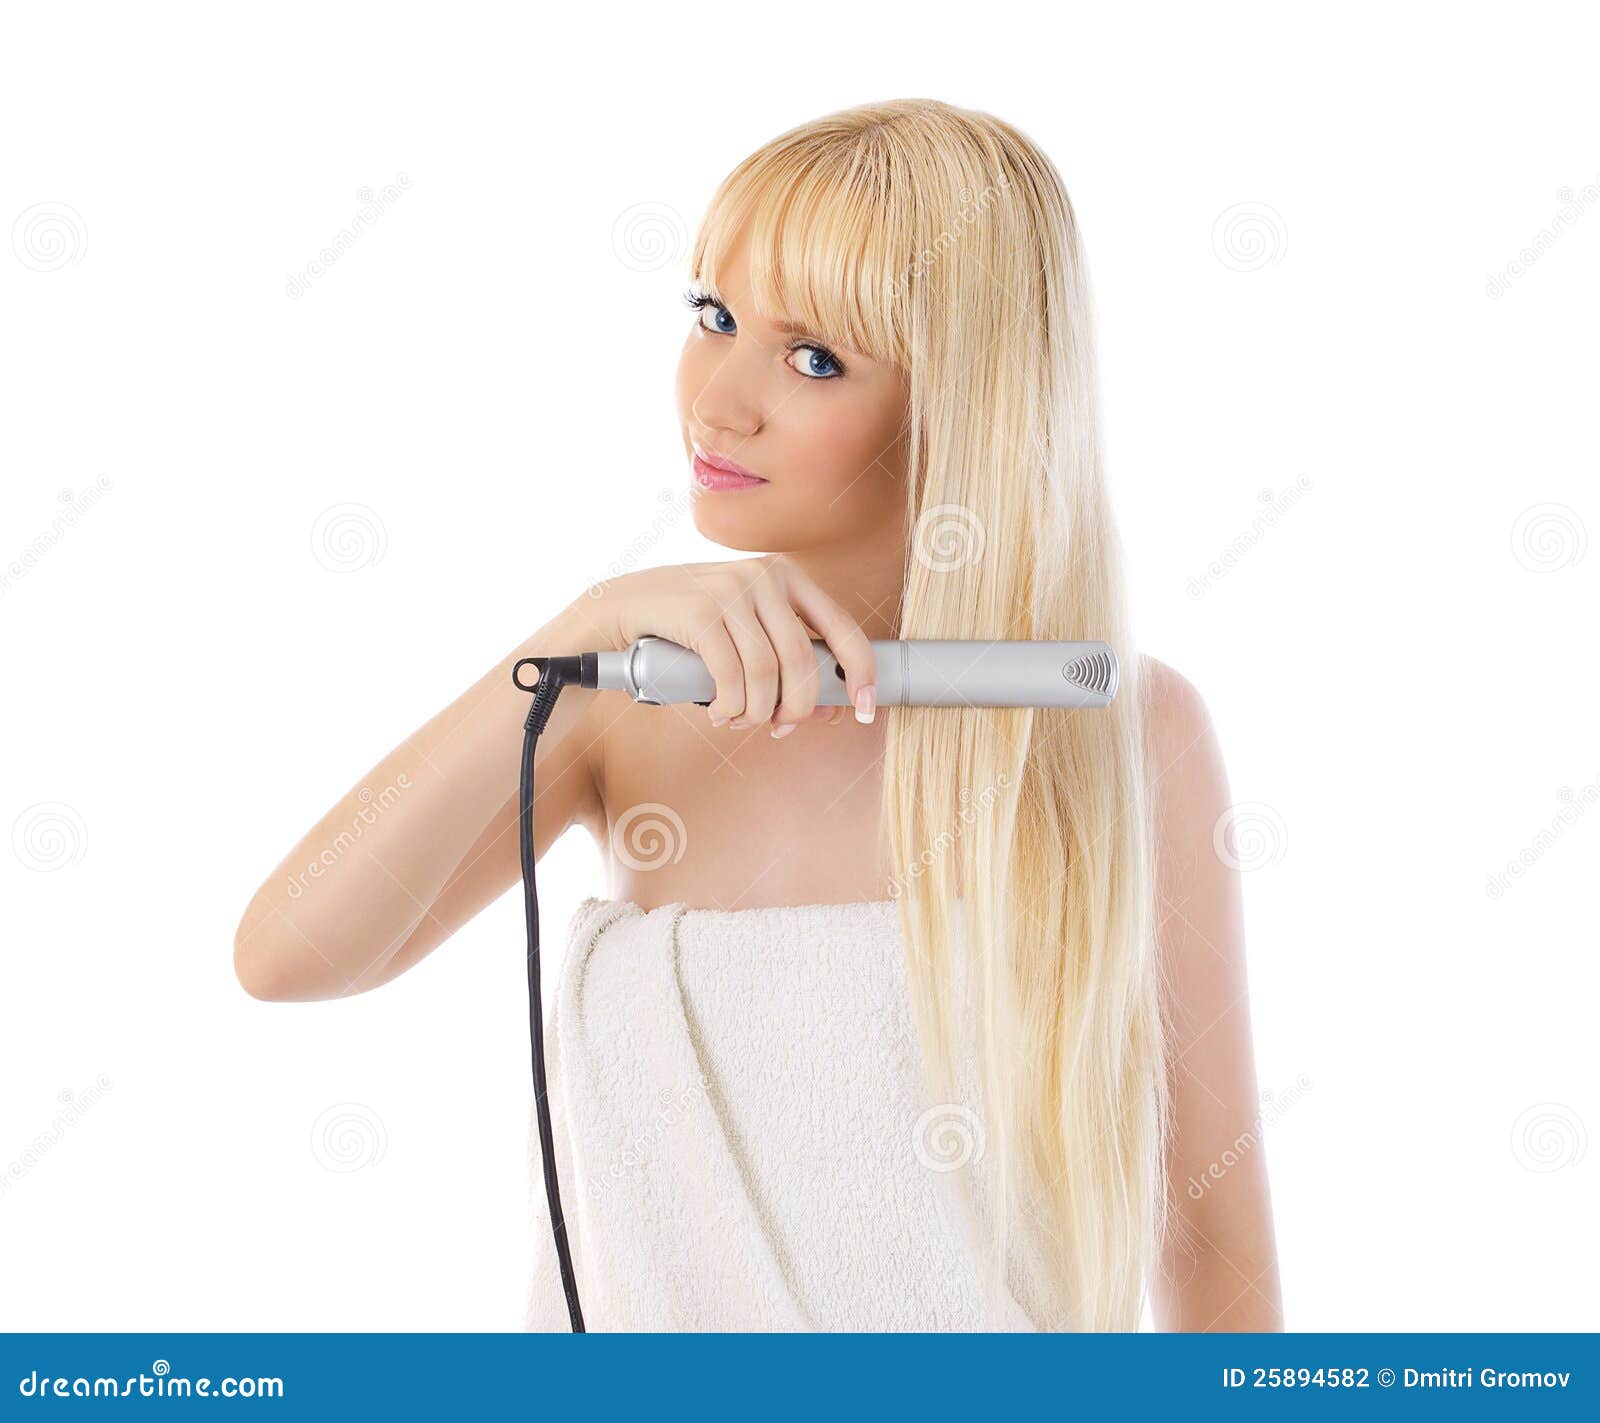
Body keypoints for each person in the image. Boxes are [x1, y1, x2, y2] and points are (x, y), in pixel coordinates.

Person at [234, 98, 1281, 1332]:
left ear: (964, 401)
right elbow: (288, 955)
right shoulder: (619, 708)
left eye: (814, 356)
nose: (717, 401)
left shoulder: (1117, 730)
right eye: (713, 316)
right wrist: (571, 636)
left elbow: (1208, 1235)